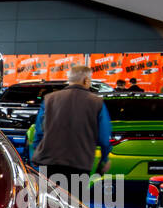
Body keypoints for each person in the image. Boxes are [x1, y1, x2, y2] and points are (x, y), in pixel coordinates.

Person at [31, 63, 111, 192]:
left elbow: (39, 131)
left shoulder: (49, 99)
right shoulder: (97, 102)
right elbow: (103, 137)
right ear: (86, 80)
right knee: (74, 200)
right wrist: (104, 159)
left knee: (50, 200)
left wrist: (36, 152)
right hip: (79, 162)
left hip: (49, 161)